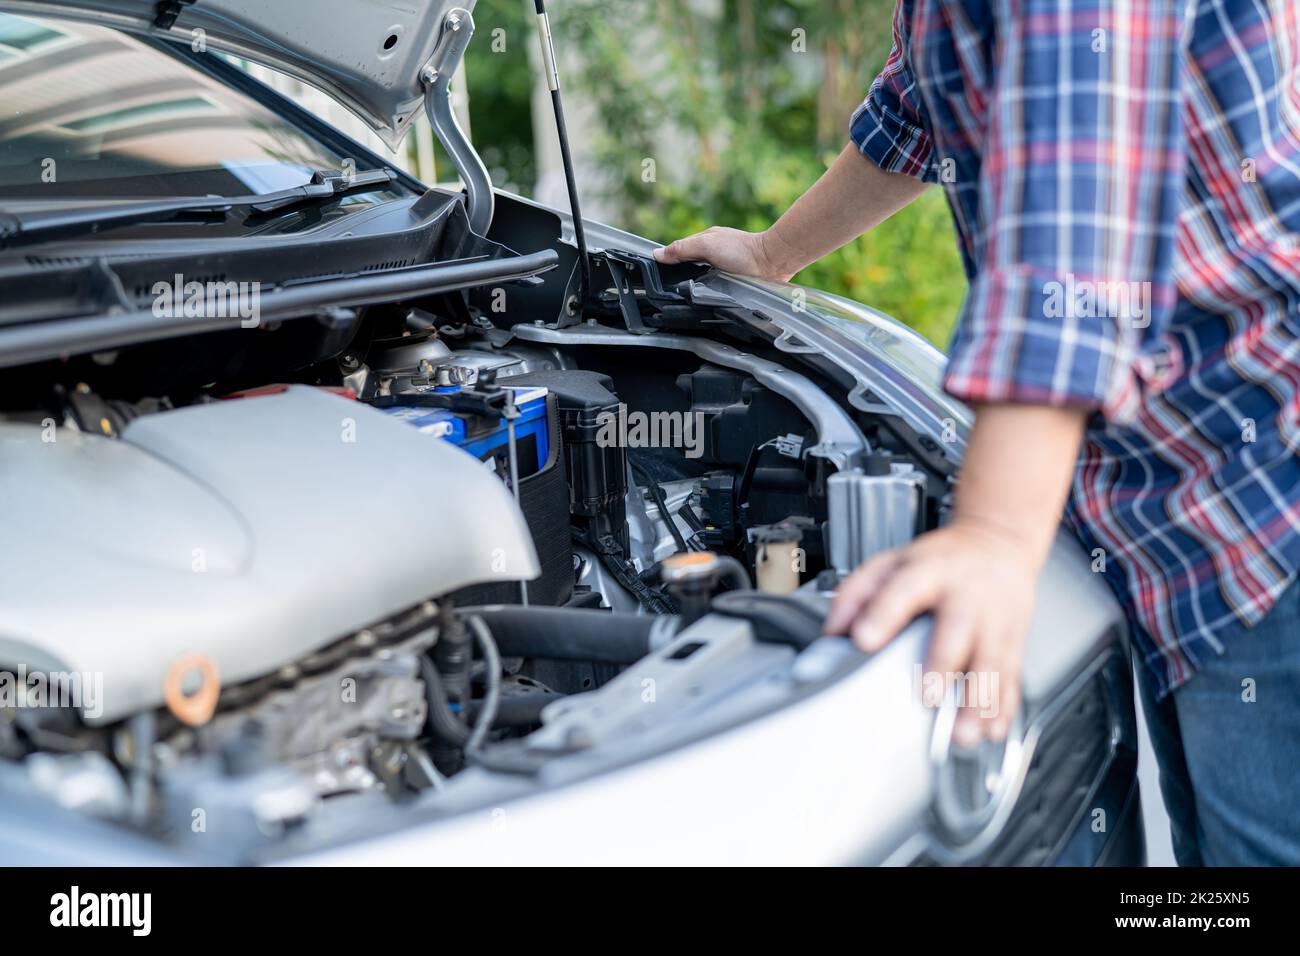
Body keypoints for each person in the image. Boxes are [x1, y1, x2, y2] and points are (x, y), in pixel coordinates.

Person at [655, 0, 1300, 866]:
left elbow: (1071, 222)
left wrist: (996, 536)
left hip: (1262, 497)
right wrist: (774, 255)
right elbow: (916, 111)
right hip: (1163, 515)